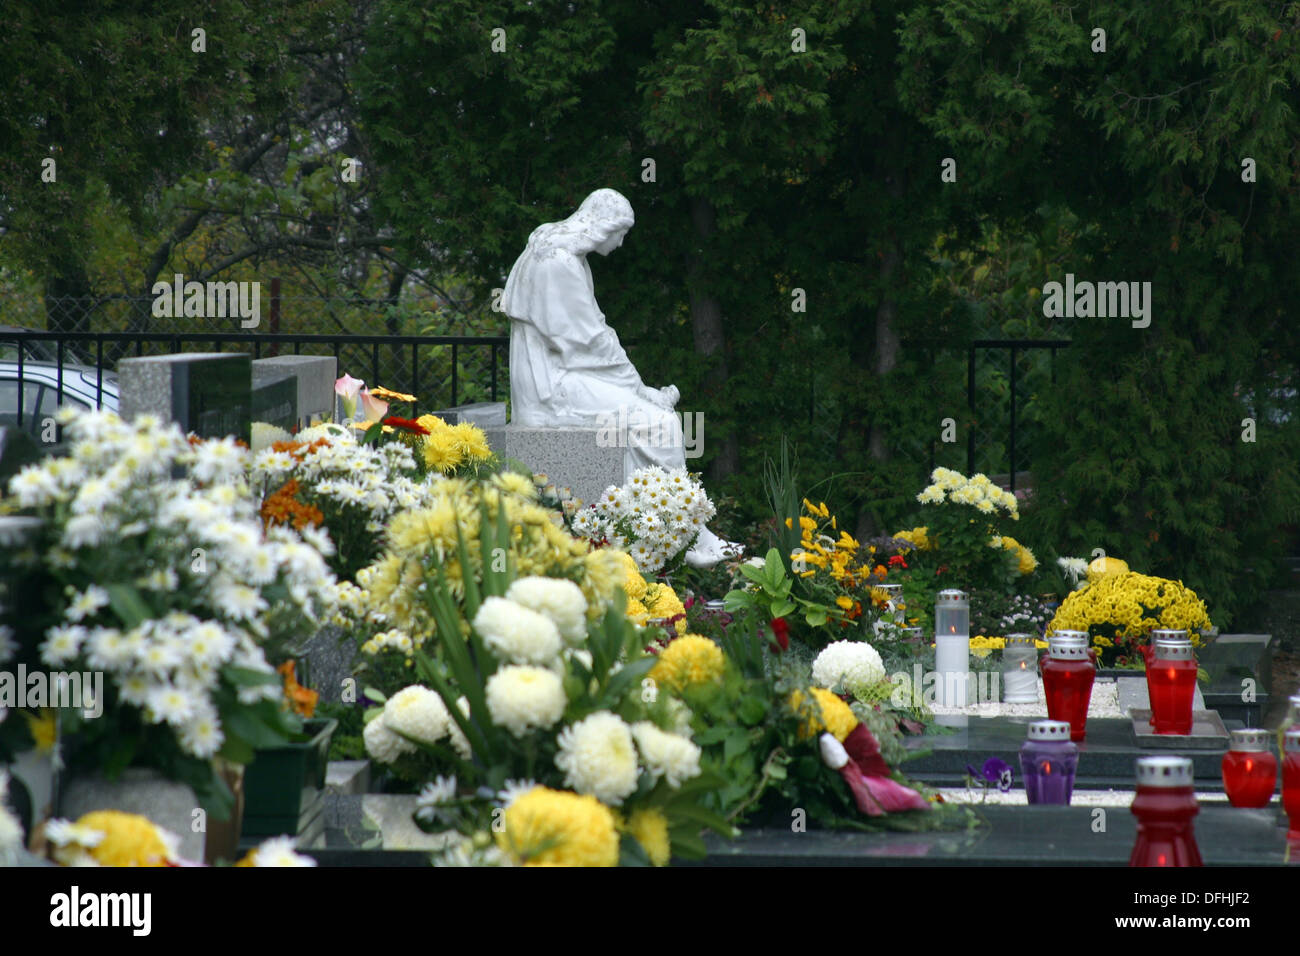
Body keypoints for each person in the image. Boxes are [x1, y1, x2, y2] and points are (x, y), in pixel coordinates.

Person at [500, 188, 738, 566]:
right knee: (660, 422)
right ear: (602, 227)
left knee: (652, 419)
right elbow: (589, 342)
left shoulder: (554, 247)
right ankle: (682, 534)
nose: (622, 242)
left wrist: (636, 388)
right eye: (620, 232)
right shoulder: (559, 261)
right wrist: (641, 389)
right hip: (553, 387)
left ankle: (677, 530)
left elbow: (586, 339)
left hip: (560, 373)